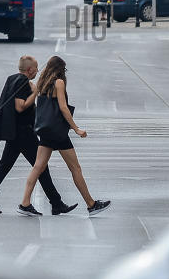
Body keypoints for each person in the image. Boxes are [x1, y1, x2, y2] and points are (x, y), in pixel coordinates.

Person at [0, 56, 76, 216]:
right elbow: (20, 107)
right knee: (41, 167)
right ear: (29, 70)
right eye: (36, 68)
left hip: (14, 132)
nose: (38, 71)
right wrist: (34, 93)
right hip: (23, 132)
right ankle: (54, 203)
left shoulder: (12, 78)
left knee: (4, 166)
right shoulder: (22, 82)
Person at [18, 55, 110, 217]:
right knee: (75, 168)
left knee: (38, 167)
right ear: (60, 69)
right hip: (58, 132)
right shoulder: (58, 83)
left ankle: (25, 203)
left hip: (46, 130)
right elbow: (63, 108)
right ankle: (91, 204)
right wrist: (76, 128)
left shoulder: (42, 83)